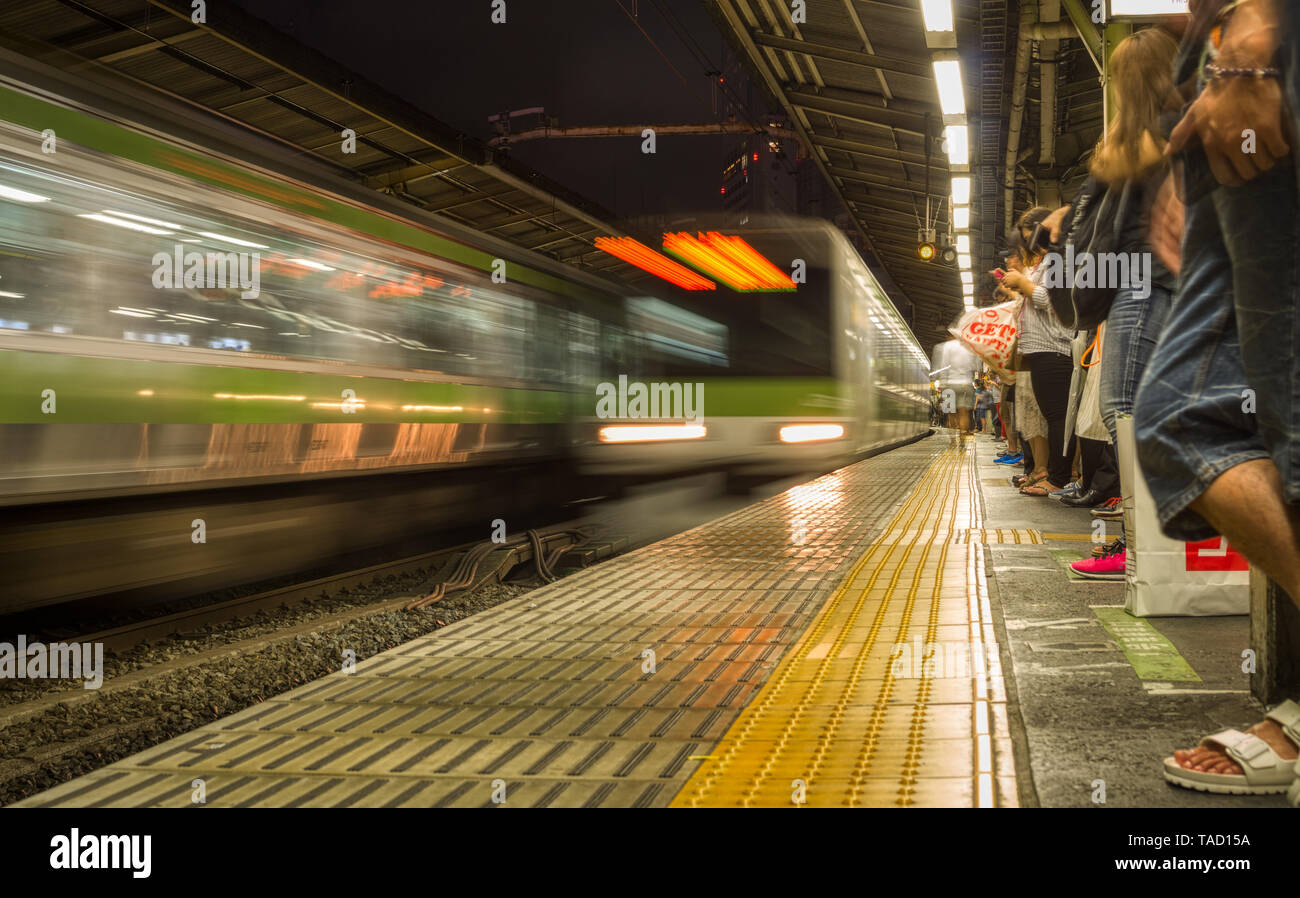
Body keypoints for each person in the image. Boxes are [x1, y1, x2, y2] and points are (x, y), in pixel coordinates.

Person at [1132, 0, 1300, 797]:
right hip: (1231, 71)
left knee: (1278, 417)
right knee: (1182, 414)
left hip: (1260, 52)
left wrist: (1252, 49)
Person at [997, 210, 1076, 496]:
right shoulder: (1049, 261)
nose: (1028, 242)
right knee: (1053, 415)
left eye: (1028, 234)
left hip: (1053, 346)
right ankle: (1057, 475)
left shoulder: (1058, 259)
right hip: (1043, 348)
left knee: (1057, 416)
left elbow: (1049, 298)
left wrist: (1023, 284)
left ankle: (1057, 478)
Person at [931, 339, 980, 434]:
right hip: (966, 384)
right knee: (964, 413)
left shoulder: (948, 346)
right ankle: (962, 441)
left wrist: (942, 383)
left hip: (950, 384)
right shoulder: (971, 346)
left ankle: (953, 440)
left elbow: (943, 366)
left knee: (951, 414)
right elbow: (977, 366)